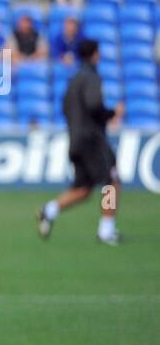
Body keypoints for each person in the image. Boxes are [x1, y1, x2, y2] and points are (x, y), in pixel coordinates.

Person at [37, 39, 121, 245]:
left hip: (75, 139)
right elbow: (94, 104)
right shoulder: (92, 77)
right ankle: (106, 230)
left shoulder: (73, 80)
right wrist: (111, 113)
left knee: (83, 188)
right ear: (95, 55)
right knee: (112, 181)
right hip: (92, 139)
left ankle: (49, 210)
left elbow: (65, 108)